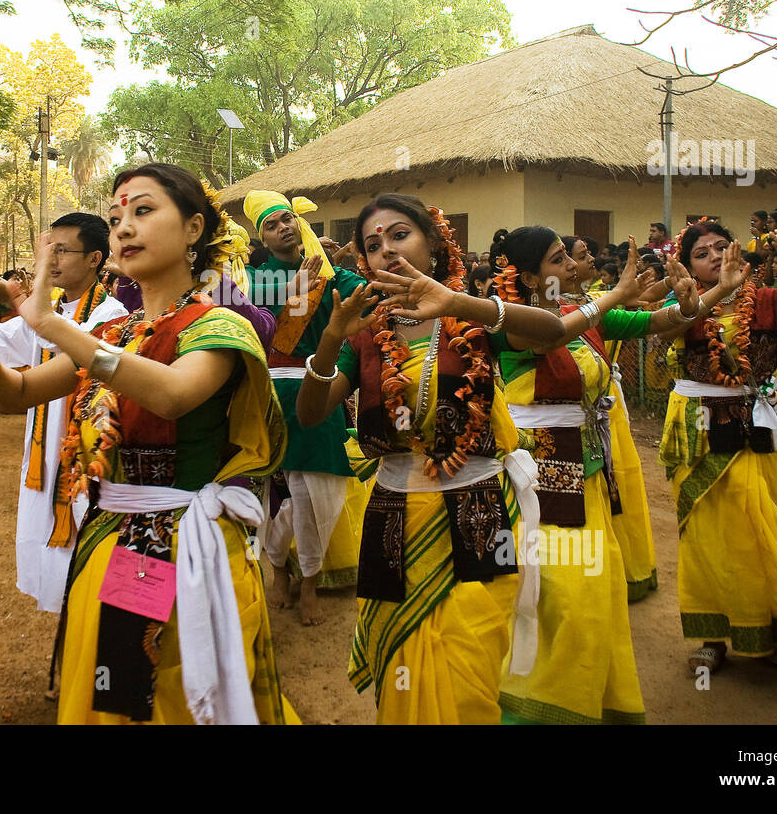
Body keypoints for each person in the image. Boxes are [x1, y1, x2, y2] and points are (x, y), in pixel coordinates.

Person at [0, 163, 289, 724]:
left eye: (143, 211)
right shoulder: (117, 332)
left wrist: (50, 324)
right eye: (117, 219)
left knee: (165, 695)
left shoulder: (218, 326)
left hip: (180, 540)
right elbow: (17, 394)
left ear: (193, 230)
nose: (124, 229)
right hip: (115, 539)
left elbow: (171, 395)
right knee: (117, 690)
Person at [297, 195, 564, 723]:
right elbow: (311, 413)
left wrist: (458, 304)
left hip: (479, 510)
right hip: (395, 515)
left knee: (470, 658)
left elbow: (553, 331)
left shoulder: (475, 315)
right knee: (406, 659)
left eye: (399, 235)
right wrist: (331, 337)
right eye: (372, 245)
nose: (386, 251)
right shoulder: (368, 336)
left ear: (435, 244)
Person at [486, 227, 727, 723]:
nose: (572, 266)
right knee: (561, 601)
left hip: (591, 478)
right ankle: (529, 710)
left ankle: (587, 703)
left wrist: (691, 303)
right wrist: (616, 293)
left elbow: (659, 322)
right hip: (541, 483)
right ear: (530, 277)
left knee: (595, 598)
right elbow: (552, 333)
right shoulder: (513, 323)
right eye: (559, 260)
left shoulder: (588, 318)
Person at [660, 222, 777, 674]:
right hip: (697, 426)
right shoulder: (681, 302)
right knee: (707, 535)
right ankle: (713, 635)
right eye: (702, 252)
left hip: (756, 422)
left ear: (739, 253)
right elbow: (665, 334)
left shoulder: (767, 299)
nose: (715, 255)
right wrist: (709, 295)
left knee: (760, 524)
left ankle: (773, 628)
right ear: (688, 265)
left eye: (722, 247)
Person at [0, 212, 125, 614]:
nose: (52, 260)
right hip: (46, 458)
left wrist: (20, 298)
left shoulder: (110, 316)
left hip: (87, 461)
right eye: (48, 251)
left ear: (96, 259)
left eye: (62, 251)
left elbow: (58, 335)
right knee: (58, 567)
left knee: (93, 567)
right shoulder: (49, 313)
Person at [242, 190, 367, 625]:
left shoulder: (330, 274)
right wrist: (293, 289)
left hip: (320, 386)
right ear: (263, 237)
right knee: (278, 487)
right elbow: (253, 319)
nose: (282, 228)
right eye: (272, 225)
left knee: (319, 491)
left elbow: (363, 294)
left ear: (299, 224)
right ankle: (281, 571)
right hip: (273, 386)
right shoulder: (255, 278)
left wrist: (363, 267)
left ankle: (304, 573)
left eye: (286, 220)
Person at [561, 236, 657, 602]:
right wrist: (621, 294)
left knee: (621, 485)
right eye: (579, 256)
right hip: (581, 418)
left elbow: (649, 314)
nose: (583, 263)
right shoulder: (546, 316)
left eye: (584, 256)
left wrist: (689, 296)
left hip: (604, 408)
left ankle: (626, 570)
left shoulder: (591, 305)